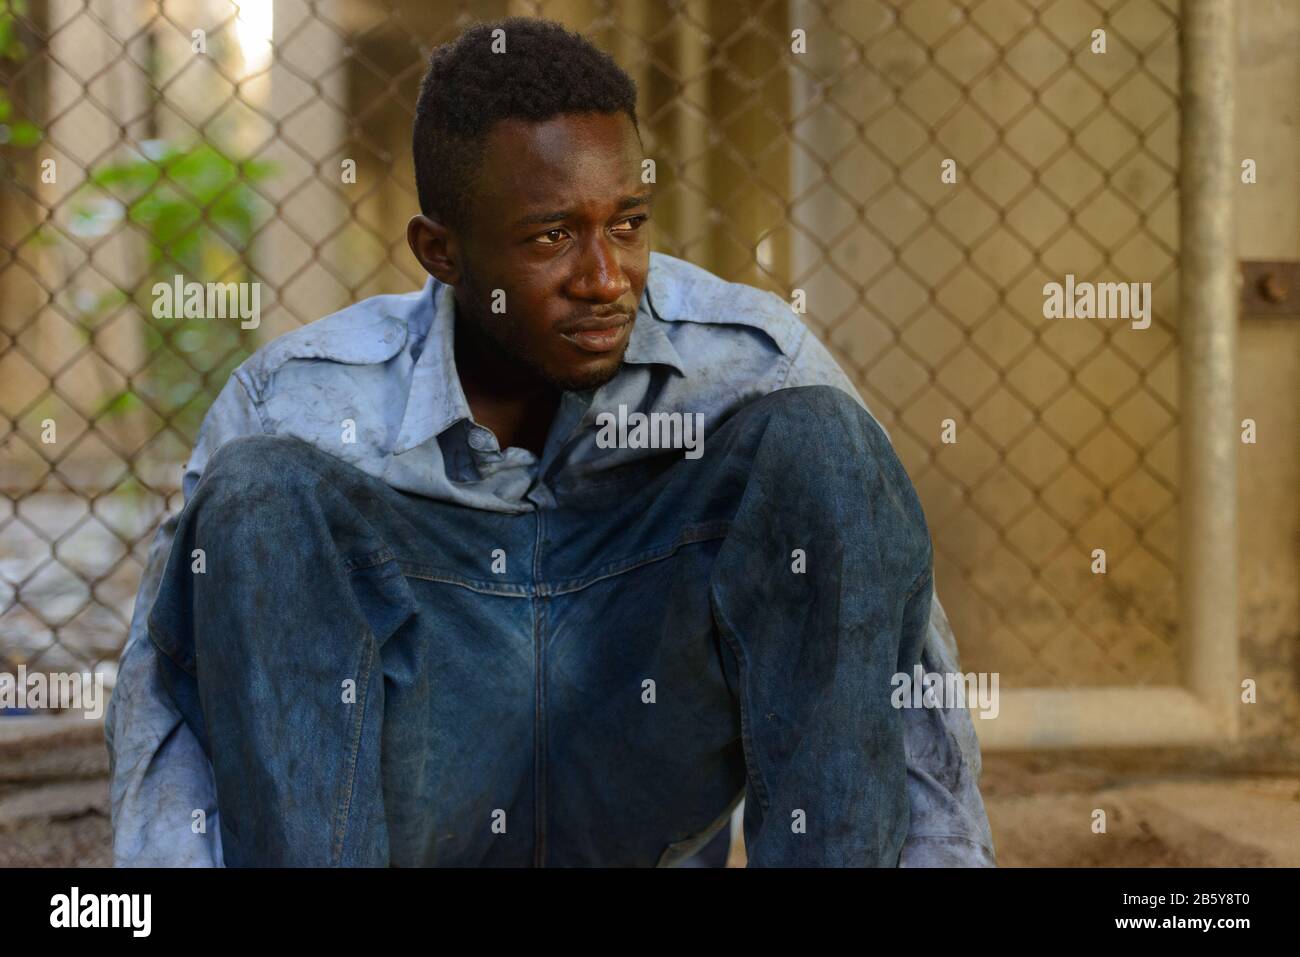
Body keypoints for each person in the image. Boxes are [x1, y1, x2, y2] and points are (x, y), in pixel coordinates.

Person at [104, 16, 995, 868]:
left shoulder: (752, 360)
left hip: (638, 781)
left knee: (823, 443)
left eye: (629, 223)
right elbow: (164, 700)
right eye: (552, 236)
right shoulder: (298, 401)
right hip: (423, 798)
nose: (606, 278)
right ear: (440, 251)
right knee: (260, 496)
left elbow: (908, 672)